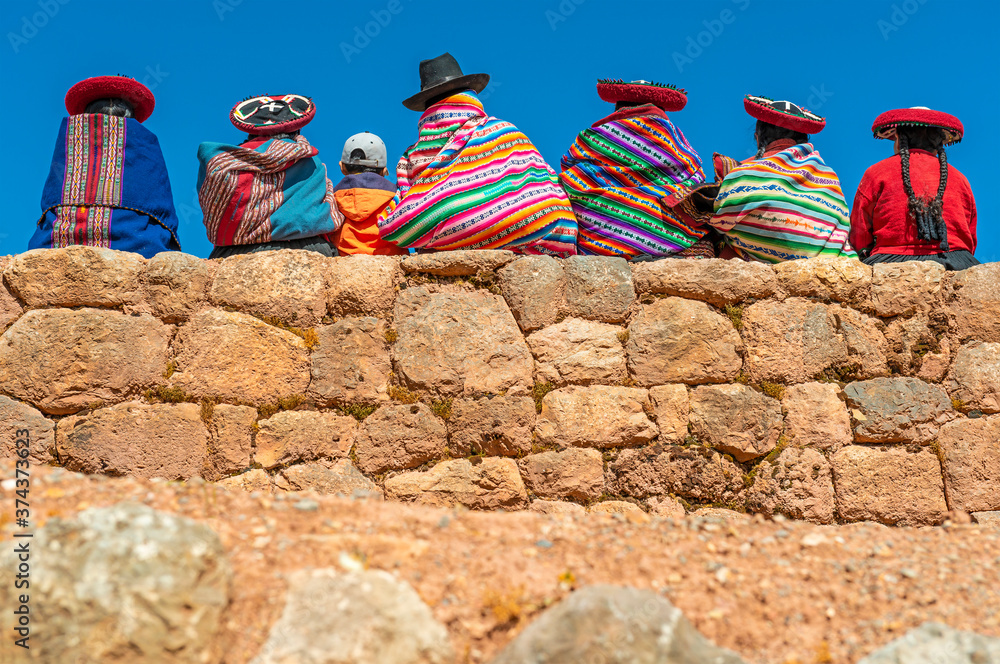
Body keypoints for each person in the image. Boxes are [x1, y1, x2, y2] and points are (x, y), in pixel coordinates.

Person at [378, 53, 577, 256]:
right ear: (468, 96)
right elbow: (546, 187)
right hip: (542, 229)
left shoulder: (413, 156)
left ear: (428, 109)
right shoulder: (504, 131)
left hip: (451, 242)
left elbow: (400, 222)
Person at [560, 79, 716, 259]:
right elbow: (696, 177)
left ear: (618, 109)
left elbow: (569, 165)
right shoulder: (674, 141)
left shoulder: (596, 138)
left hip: (601, 243)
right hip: (672, 238)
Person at [30, 75, 181, 258]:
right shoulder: (146, 146)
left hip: (56, 246)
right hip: (139, 244)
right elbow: (160, 207)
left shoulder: (68, 144)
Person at [710, 95, 856, 263]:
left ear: (758, 138)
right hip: (824, 261)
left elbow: (722, 217)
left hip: (755, 261)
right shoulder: (828, 176)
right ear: (804, 139)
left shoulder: (744, 174)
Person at [197, 94, 343, 258]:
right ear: (296, 131)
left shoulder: (219, 163)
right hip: (308, 249)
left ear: (251, 132)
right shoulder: (310, 160)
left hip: (232, 252)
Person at [850, 107, 977, 270]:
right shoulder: (961, 179)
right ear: (938, 144)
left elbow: (860, 232)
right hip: (956, 262)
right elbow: (970, 235)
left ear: (898, 138)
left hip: (890, 261)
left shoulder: (876, 173)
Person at [331, 132, 406, 256]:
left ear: (342, 167)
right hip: (392, 258)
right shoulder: (399, 197)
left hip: (343, 258)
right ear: (384, 171)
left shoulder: (331, 198)